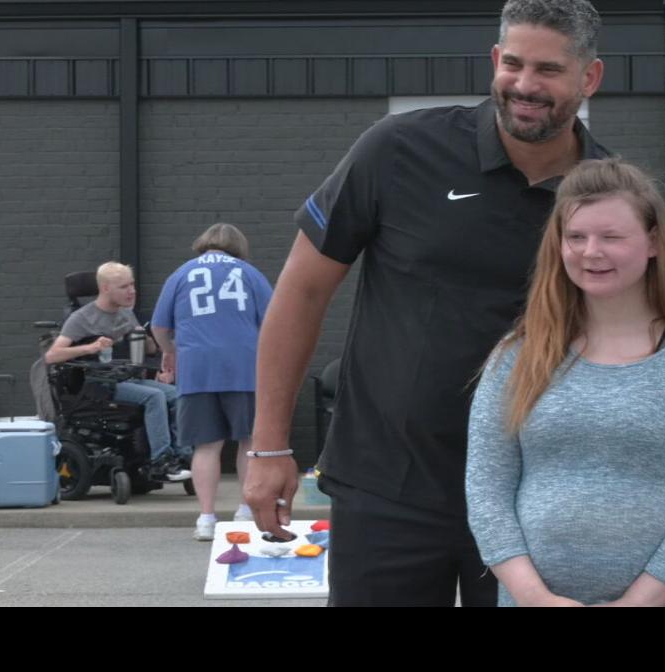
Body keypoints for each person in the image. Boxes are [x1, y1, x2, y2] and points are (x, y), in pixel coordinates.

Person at [243, 0, 623, 606]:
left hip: (534, 495)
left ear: (589, 78)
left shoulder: (609, 192)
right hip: (386, 485)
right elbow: (302, 290)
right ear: (495, 61)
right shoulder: (397, 149)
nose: (525, 86)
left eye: (549, 71)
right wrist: (268, 445)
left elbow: (638, 325)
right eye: (514, 65)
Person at [467, 159, 665, 606]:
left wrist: (635, 603)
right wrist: (535, 598)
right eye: (576, 237)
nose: (590, 252)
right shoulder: (517, 356)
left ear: (654, 242)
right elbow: (486, 490)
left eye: (612, 237)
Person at [152, 223, 274, 541]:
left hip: (197, 368)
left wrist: (170, 351)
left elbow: (160, 326)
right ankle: (245, 511)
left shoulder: (180, 274)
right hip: (244, 367)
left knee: (206, 446)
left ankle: (206, 518)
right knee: (248, 442)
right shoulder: (249, 273)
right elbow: (274, 318)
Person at [45, 261, 191, 482]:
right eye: (124, 287)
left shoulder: (125, 314)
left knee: (177, 394)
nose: (131, 291)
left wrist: (147, 339)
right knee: (155, 397)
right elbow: (51, 356)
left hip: (123, 378)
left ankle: (184, 456)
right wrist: (90, 347)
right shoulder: (82, 318)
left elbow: (149, 350)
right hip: (96, 385)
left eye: (132, 285)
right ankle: (160, 461)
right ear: (105, 288)